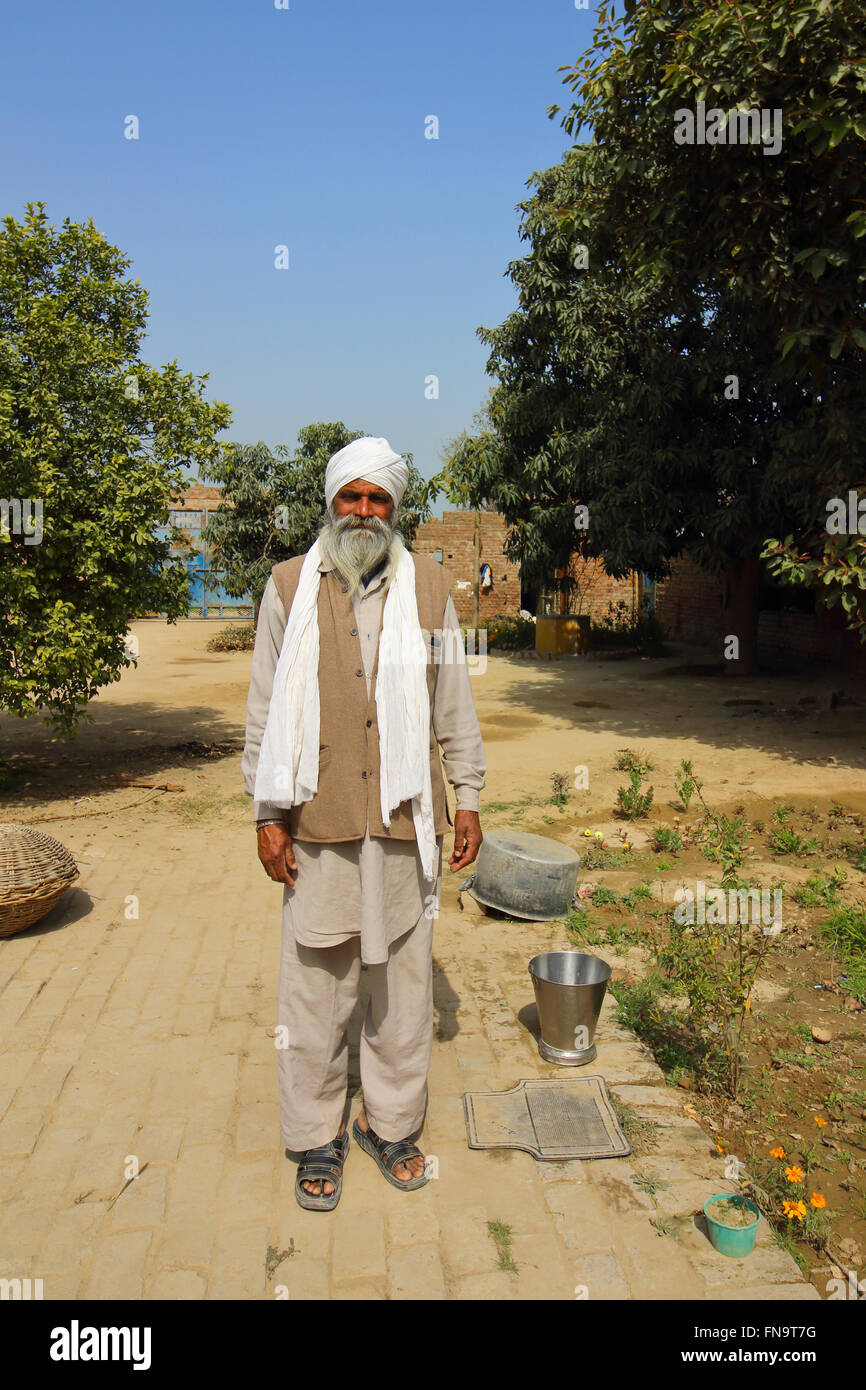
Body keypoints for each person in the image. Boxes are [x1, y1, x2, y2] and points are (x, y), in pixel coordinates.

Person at [242, 436, 486, 1210]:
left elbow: (454, 703)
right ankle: (317, 1133)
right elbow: (262, 711)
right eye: (351, 496)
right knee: (317, 989)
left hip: (406, 822)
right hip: (318, 820)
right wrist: (266, 812)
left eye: (378, 499)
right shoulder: (287, 587)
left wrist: (468, 794)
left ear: (394, 508)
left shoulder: (430, 590)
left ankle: (390, 1124)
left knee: (402, 992)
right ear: (331, 502)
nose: (364, 511)